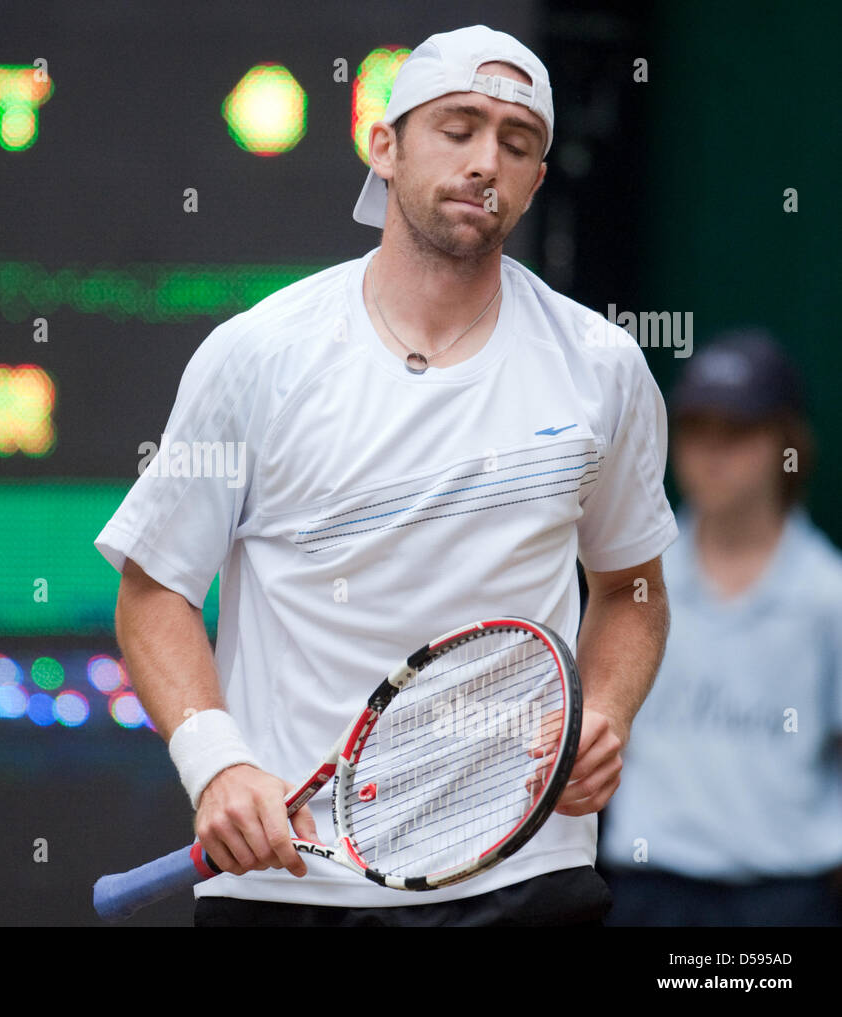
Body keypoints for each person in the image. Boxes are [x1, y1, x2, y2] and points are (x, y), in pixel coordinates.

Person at [95, 24, 675, 926]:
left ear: (535, 180)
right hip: (290, 887)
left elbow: (632, 587)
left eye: (516, 144)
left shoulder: (603, 367)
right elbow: (155, 589)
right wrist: (218, 763)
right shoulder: (257, 356)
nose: (487, 159)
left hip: (524, 879)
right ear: (385, 145)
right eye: (459, 127)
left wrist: (606, 707)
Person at [600, 331, 842, 926]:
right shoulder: (629, 586)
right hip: (645, 894)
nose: (712, 453)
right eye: (696, 431)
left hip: (784, 901)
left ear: (786, 444)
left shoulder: (826, 594)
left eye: (737, 434)